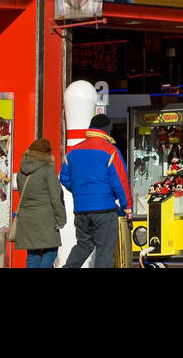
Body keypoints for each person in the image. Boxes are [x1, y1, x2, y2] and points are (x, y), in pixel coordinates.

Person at [59, 113, 131, 268]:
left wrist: (80, 191)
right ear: (107, 130)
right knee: (105, 251)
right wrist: (127, 207)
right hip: (104, 210)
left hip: (81, 210)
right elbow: (121, 182)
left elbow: (64, 178)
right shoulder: (110, 150)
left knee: (83, 245)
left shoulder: (73, 151)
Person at [14, 138, 66, 268]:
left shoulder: (21, 172)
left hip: (26, 218)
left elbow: (23, 195)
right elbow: (56, 197)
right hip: (45, 218)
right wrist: (61, 218)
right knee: (51, 250)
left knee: (33, 253)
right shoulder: (47, 170)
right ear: (47, 153)